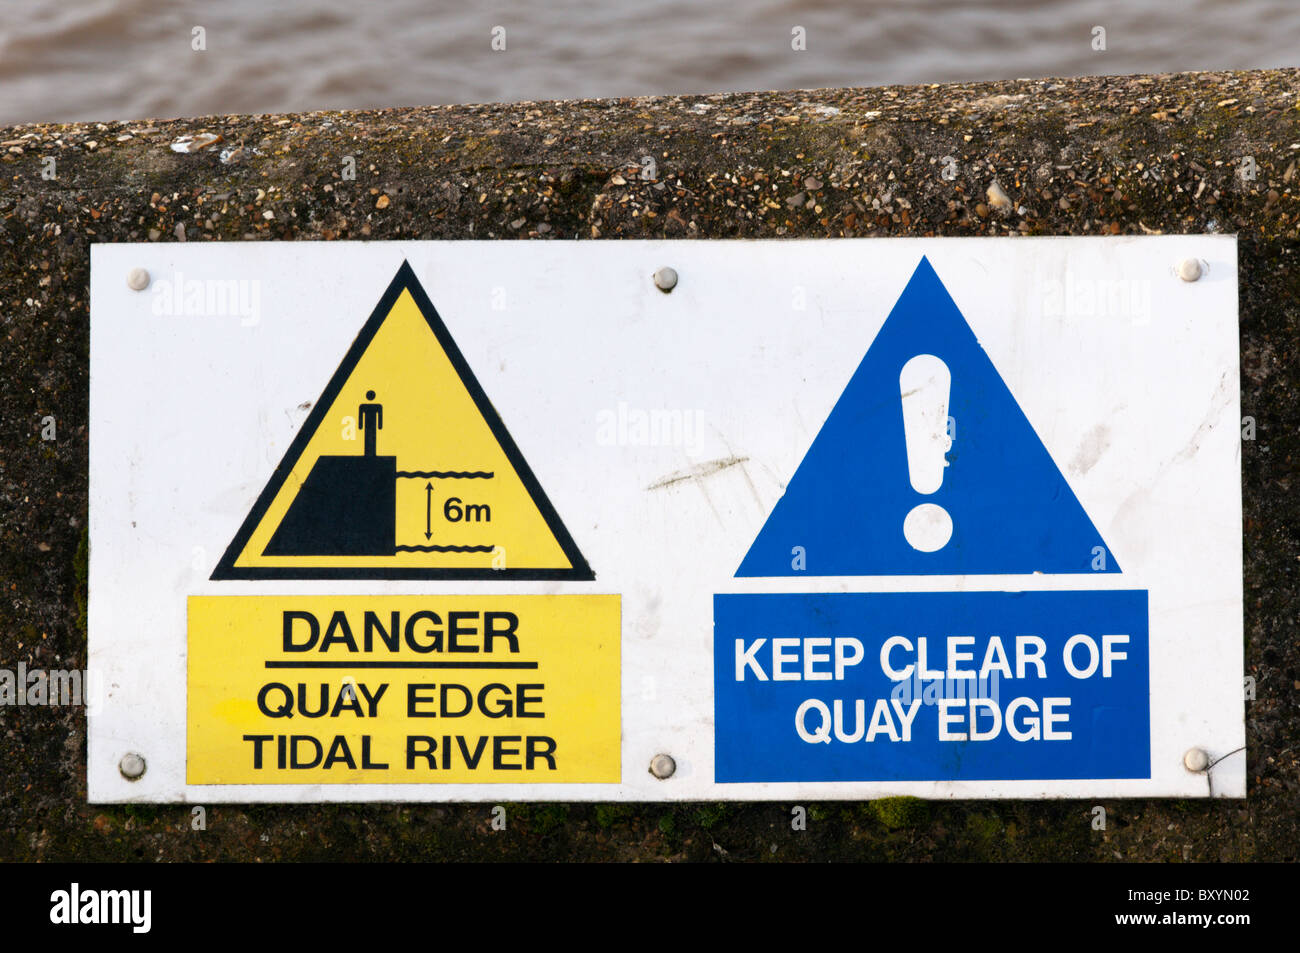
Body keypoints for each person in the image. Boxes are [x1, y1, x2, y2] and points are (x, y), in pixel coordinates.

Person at [358, 390, 382, 456]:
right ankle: (368, 454)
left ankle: (372, 454)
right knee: (367, 439)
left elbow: (380, 416)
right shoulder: (363, 406)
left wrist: (380, 425)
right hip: (367, 425)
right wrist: (360, 425)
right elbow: (360, 416)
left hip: (372, 425)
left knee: (372, 439)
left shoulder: (378, 406)